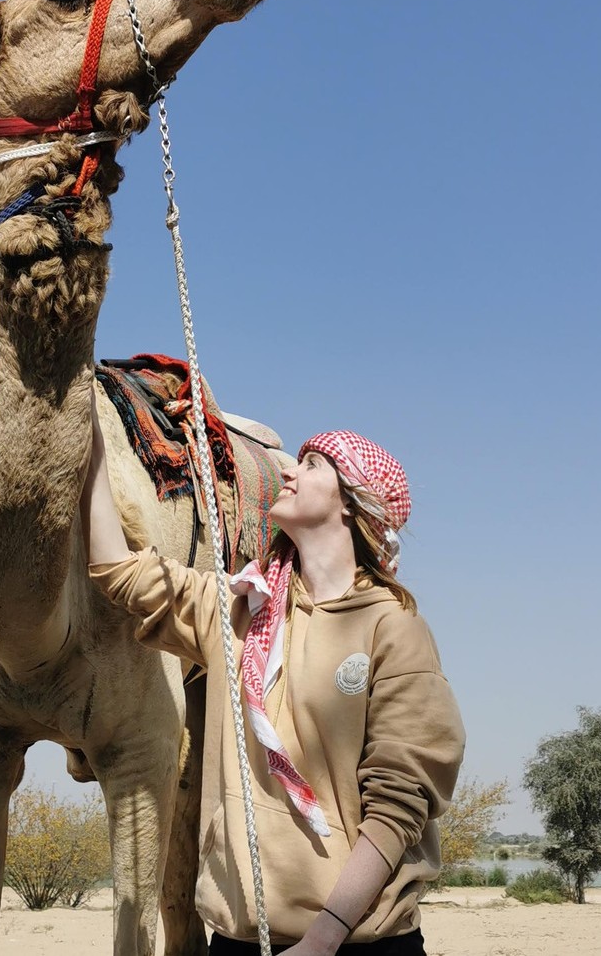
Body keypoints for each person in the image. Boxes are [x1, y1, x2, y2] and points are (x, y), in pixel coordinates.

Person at [83, 387, 465, 955]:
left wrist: (324, 938)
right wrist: (88, 444)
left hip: (357, 942)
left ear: (350, 506)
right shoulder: (237, 608)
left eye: (312, 465)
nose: (290, 473)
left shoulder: (393, 628)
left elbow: (399, 806)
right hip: (240, 939)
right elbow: (119, 572)